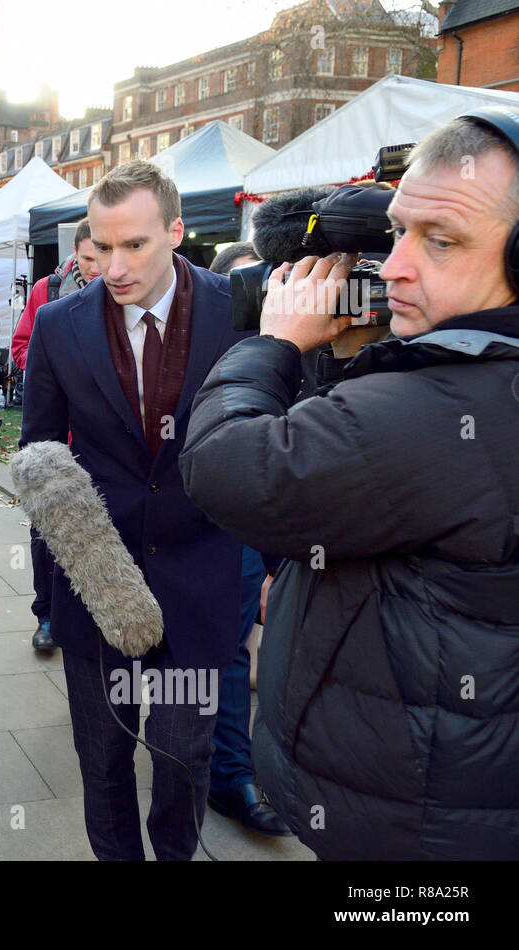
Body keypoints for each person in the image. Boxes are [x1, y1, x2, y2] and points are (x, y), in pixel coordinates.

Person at [180, 112, 519, 859]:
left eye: (442, 240)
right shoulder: (460, 376)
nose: (395, 266)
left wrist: (273, 342)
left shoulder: (453, 404)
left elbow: (228, 465)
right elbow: (365, 490)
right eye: (398, 231)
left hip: (420, 827)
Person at [20, 160, 251, 861]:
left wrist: (274, 561)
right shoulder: (60, 325)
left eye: (135, 246)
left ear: (176, 232)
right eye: (101, 244)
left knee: (185, 758)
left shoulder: (236, 308)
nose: (112, 265)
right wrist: (53, 588)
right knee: (104, 762)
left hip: (202, 572)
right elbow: (36, 456)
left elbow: (272, 438)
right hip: (100, 580)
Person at [199, 244, 290, 836]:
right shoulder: (200, 333)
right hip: (188, 511)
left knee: (234, 651)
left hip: (251, 526)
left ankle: (231, 775)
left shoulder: (293, 348)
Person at [10, 218, 101, 653]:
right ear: (76, 254)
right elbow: (21, 347)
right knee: (46, 529)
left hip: (100, 442)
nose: (98, 266)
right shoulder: (47, 291)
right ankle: (46, 613)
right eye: (89, 257)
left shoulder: (124, 292)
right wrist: (57, 369)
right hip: (55, 438)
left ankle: (89, 611)